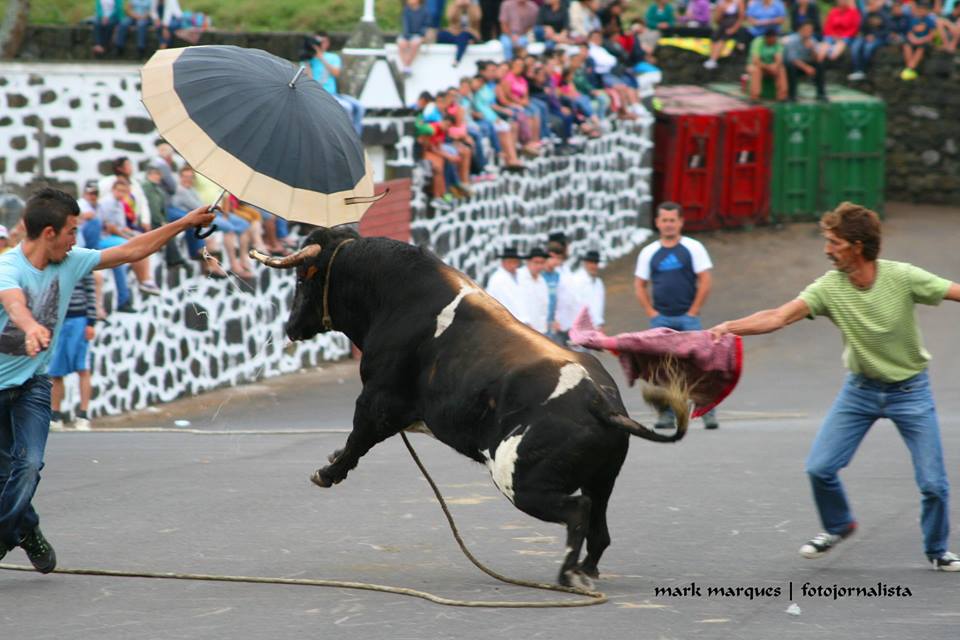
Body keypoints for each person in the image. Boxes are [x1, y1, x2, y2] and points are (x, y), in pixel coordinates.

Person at [708, 202, 960, 572]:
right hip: (860, 392)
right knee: (820, 468)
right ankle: (838, 525)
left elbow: (955, 290)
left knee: (933, 484)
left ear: (857, 246)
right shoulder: (829, 287)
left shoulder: (902, 277)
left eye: (834, 242)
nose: (827, 249)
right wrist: (728, 327)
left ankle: (937, 549)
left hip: (910, 392)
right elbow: (778, 317)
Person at [0, 187, 215, 571]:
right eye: (71, 231)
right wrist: (30, 326)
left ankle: (3, 535)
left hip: (33, 385)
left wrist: (185, 222)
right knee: (5, 477)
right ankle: (26, 530)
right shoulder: (8, 267)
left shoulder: (71, 261)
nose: (75, 239)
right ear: (48, 233)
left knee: (28, 465)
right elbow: (13, 302)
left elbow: (132, 251)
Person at [634, 201, 719, 430]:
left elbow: (705, 280)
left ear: (680, 222)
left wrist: (694, 310)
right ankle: (667, 415)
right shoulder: (649, 252)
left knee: (699, 366)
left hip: (688, 318)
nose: (669, 224)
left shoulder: (693, 248)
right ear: (657, 222)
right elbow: (640, 284)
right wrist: (651, 312)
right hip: (660, 320)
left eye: (673, 220)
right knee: (662, 370)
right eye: (664, 220)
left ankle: (707, 412)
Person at [48, 269, 96, 432]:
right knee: (55, 370)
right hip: (58, 320)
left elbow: (91, 292)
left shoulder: (83, 264)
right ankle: (55, 415)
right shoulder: (50, 264)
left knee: (83, 367)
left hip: (79, 319)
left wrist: (91, 322)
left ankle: (83, 415)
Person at [308, 33, 365, 136]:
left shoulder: (333, 57)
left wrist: (322, 58)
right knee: (347, 108)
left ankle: (356, 137)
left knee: (359, 106)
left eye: (323, 42)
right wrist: (309, 61)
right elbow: (308, 79)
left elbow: (336, 73)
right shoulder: (308, 58)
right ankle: (346, 136)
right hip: (320, 95)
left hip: (333, 94)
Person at [783, 19, 827, 102]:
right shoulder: (792, 40)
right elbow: (793, 59)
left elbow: (817, 59)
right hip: (794, 65)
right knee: (790, 66)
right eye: (806, 30)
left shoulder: (812, 40)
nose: (808, 32)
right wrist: (806, 68)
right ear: (800, 30)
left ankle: (821, 94)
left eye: (810, 30)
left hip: (805, 64)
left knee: (820, 65)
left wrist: (812, 49)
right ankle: (792, 95)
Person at [848, 0, 892, 80]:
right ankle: (857, 69)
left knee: (868, 48)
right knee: (855, 47)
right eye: (869, 5)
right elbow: (862, 28)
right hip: (866, 37)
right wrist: (866, 35)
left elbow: (888, 30)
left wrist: (875, 36)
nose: (870, 7)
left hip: (879, 38)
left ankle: (863, 69)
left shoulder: (884, 15)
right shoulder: (866, 15)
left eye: (872, 4)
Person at [485, 246, 530, 325]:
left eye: (515, 262)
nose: (513, 265)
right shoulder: (497, 279)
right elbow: (507, 302)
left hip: (521, 322)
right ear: (503, 263)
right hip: (506, 322)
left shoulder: (520, 276)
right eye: (510, 262)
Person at [746, 26, 787, 102]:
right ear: (766, 38)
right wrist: (767, 67)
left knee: (781, 69)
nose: (773, 42)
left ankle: (782, 96)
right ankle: (754, 96)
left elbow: (779, 58)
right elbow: (756, 60)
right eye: (771, 40)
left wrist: (775, 65)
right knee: (756, 70)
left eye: (774, 39)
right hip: (757, 66)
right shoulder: (758, 42)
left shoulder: (777, 42)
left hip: (771, 67)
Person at [901, 0, 937, 80]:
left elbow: (932, 35)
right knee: (907, 45)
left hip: (924, 42)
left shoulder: (930, 21)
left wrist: (921, 40)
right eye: (920, 8)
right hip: (914, 40)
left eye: (924, 9)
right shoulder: (913, 19)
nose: (921, 10)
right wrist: (914, 40)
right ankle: (910, 67)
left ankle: (910, 68)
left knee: (921, 48)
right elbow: (909, 33)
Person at [438, 0, 482, 67]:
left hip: (470, 32)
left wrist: (469, 6)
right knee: (442, 34)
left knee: (463, 36)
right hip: (455, 32)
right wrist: (457, 6)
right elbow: (450, 17)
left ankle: (457, 59)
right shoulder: (453, 5)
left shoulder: (474, 6)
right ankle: (465, 42)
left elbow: (477, 18)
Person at [705, 0, 745, 69]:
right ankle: (711, 58)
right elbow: (716, 21)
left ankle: (713, 60)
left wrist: (734, 29)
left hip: (734, 28)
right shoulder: (721, 3)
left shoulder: (738, 2)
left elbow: (741, 18)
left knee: (722, 39)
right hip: (722, 27)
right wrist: (720, 12)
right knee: (714, 38)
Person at [572, 250, 605, 331]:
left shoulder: (599, 283)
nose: (593, 266)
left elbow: (599, 306)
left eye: (596, 263)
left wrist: (600, 324)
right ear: (585, 263)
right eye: (591, 263)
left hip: (596, 328)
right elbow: (575, 306)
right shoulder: (576, 280)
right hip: (581, 328)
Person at [519, 246, 550, 333]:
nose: (539, 266)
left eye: (542, 262)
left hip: (539, 329)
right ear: (528, 262)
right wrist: (524, 322)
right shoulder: (518, 277)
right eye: (536, 262)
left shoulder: (542, 281)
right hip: (522, 328)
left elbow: (544, 306)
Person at [398, 0, 430, 75]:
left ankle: (406, 66)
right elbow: (405, 26)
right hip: (407, 35)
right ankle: (406, 66)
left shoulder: (425, 11)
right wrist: (407, 37)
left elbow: (425, 25)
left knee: (415, 43)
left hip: (419, 35)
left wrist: (422, 36)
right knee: (401, 43)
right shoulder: (406, 10)